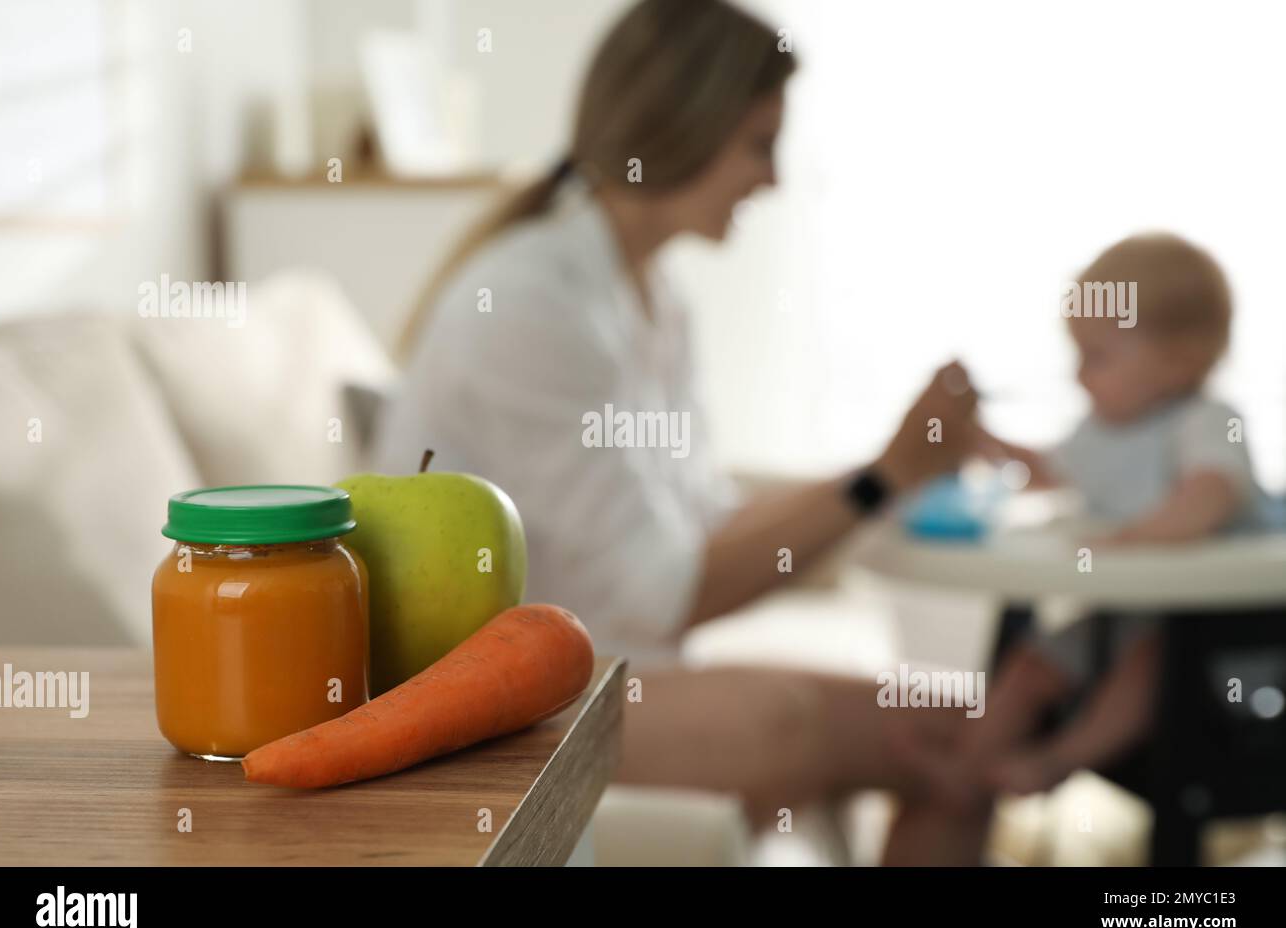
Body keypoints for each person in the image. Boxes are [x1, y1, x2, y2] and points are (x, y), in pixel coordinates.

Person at [374, 0, 990, 832]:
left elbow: (704, 525)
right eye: (759, 146)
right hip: (511, 705)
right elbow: (671, 594)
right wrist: (884, 477)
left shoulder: (653, 298)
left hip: (602, 668)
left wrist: (896, 475)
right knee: (928, 738)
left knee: (960, 728)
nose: (772, 180)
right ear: (679, 131)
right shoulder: (529, 306)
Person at [885, 233, 1266, 865]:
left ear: (1179, 359)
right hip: (1126, 618)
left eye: (1097, 356)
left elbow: (1211, 496)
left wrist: (1132, 539)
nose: (1078, 374)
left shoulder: (1209, 421)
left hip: (1215, 643)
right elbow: (1049, 472)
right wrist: (980, 440)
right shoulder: (1104, 431)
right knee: (1032, 667)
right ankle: (961, 771)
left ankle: (1056, 761)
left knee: (1150, 665)